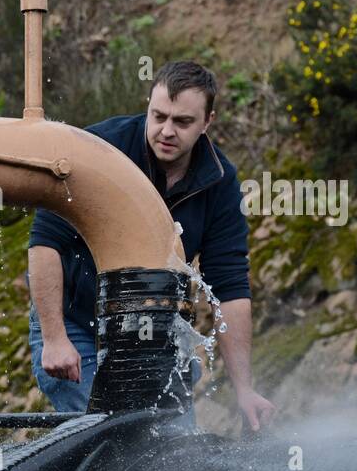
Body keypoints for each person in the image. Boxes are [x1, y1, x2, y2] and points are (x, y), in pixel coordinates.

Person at [27, 60, 277, 431]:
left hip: (159, 330)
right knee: (109, 439)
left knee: (174, 450)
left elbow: (230, 287)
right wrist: (54, 337)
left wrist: (244, 389)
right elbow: (45, 241)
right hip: (76, 323)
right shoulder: (100, 149)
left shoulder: (219, 181)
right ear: (148, 106)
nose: (166, 131)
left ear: (207, 121)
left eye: (182, 122)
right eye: (158, 116)